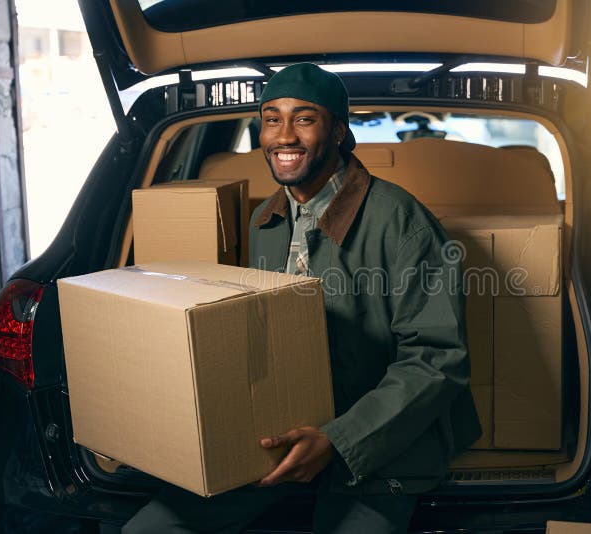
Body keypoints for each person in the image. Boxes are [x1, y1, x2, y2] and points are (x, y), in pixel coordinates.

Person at [122, 63, 480, 534]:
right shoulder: (264, 222)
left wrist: (338, 439)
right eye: (272, 119)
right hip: (282, 436)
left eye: (304, 119)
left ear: (338, 131)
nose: (284, 136)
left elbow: (436, 359)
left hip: (382, 447)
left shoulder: (403, 222)